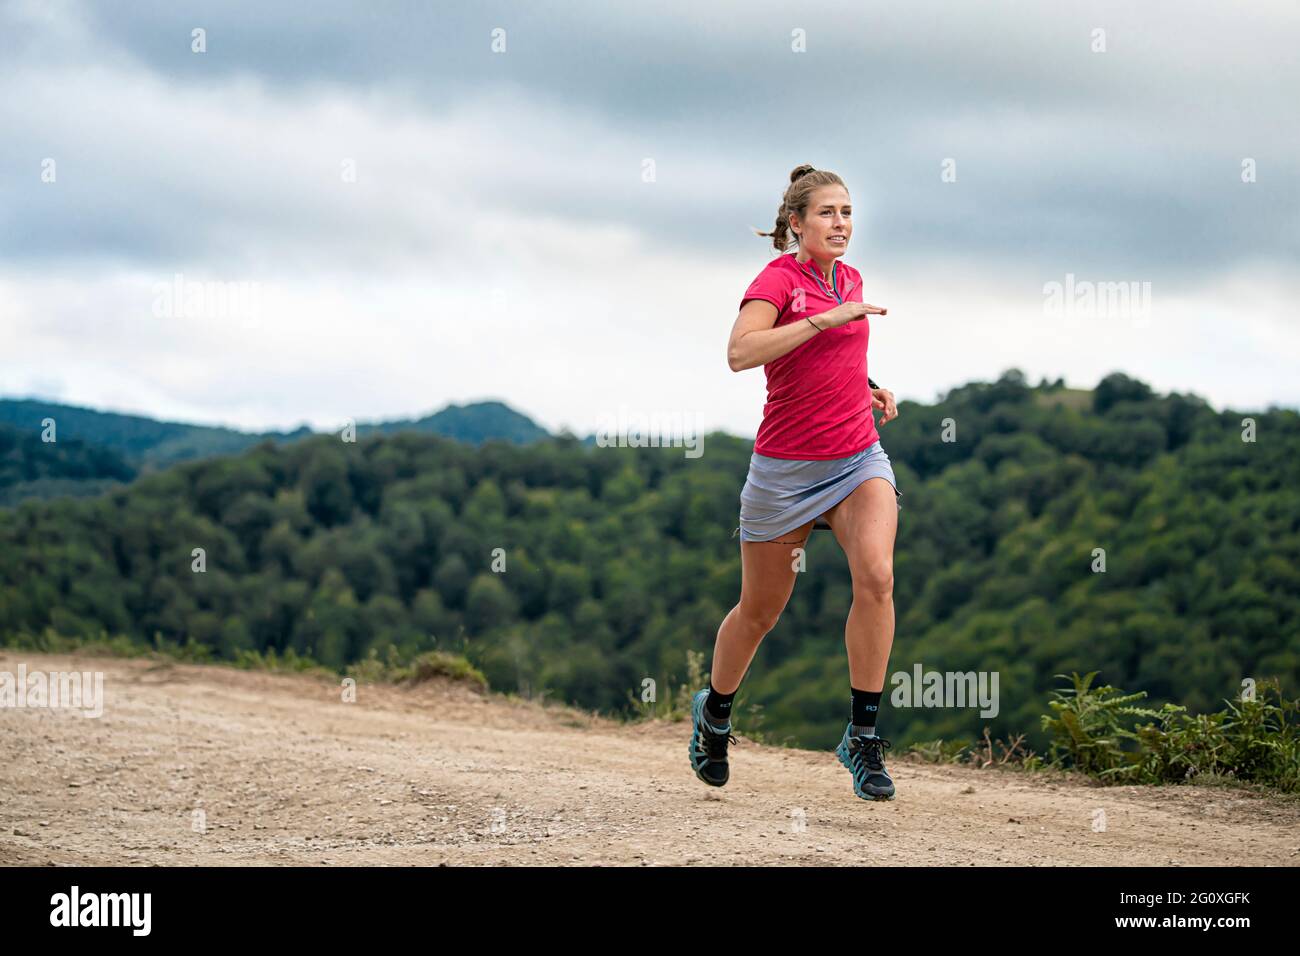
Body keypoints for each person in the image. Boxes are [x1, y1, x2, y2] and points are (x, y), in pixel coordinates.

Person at [688, 164, 902, 801]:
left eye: (848, 212)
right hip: (785, 471)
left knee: (878, 576)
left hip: (857, 458)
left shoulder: (850, 279)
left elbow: (832, 359)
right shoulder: (777, 279)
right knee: (760, 612)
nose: (841, 224)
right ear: (796, 223)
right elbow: (740, 353)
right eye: (828, 213)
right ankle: (715, 714)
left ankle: (861, 737)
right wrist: (823, 320)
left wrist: (868, 389)